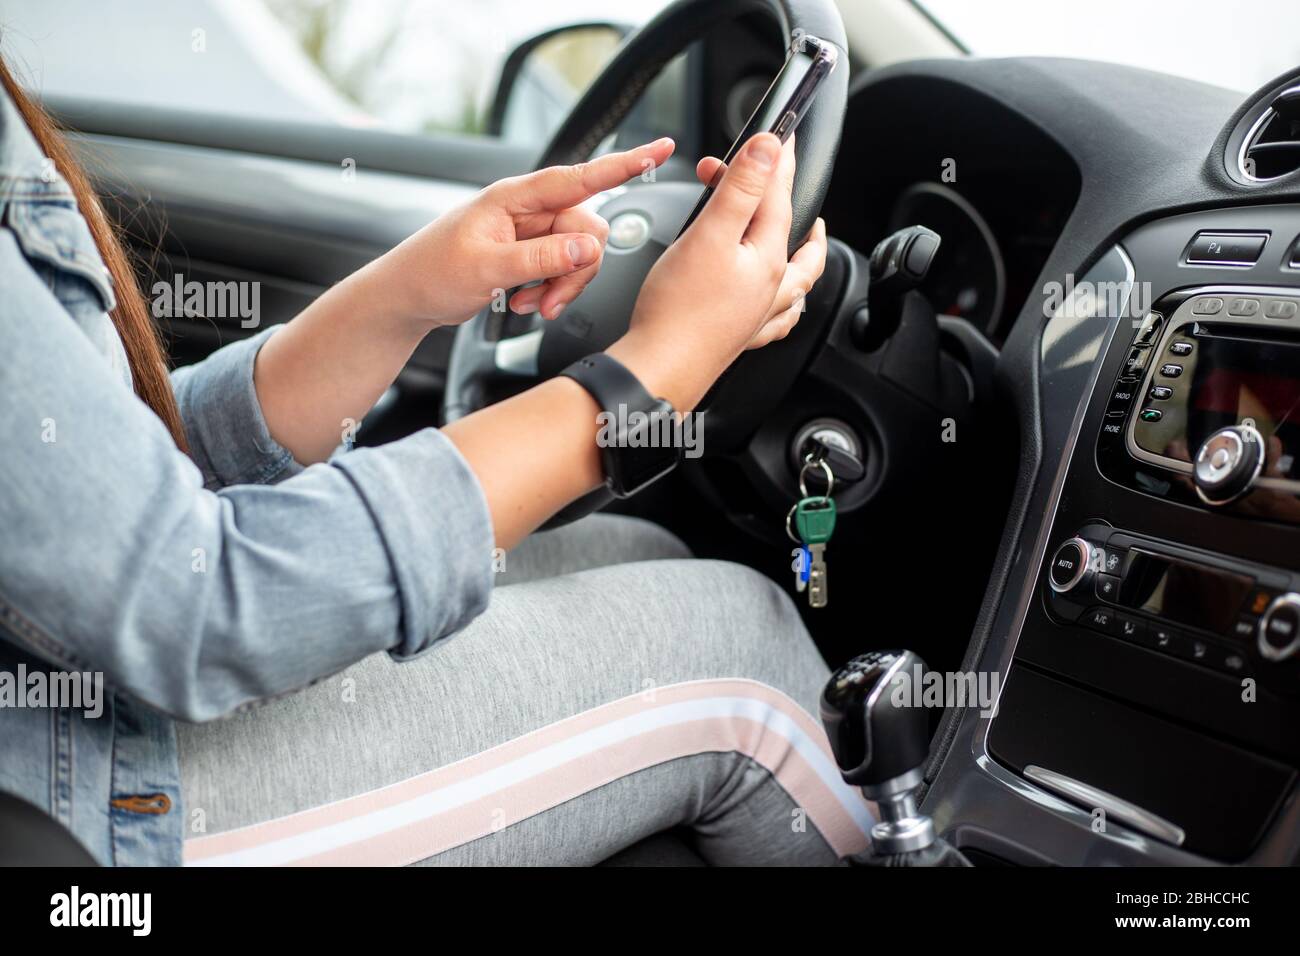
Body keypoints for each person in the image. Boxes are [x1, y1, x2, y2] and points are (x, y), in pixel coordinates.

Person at [0, 58, 870, 866]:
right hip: (84, 806)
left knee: (647, 553)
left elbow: (111, 468)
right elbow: (180, 607)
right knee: (737, 650)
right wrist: (650, 376)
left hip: (81, 705)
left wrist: (407, 291)